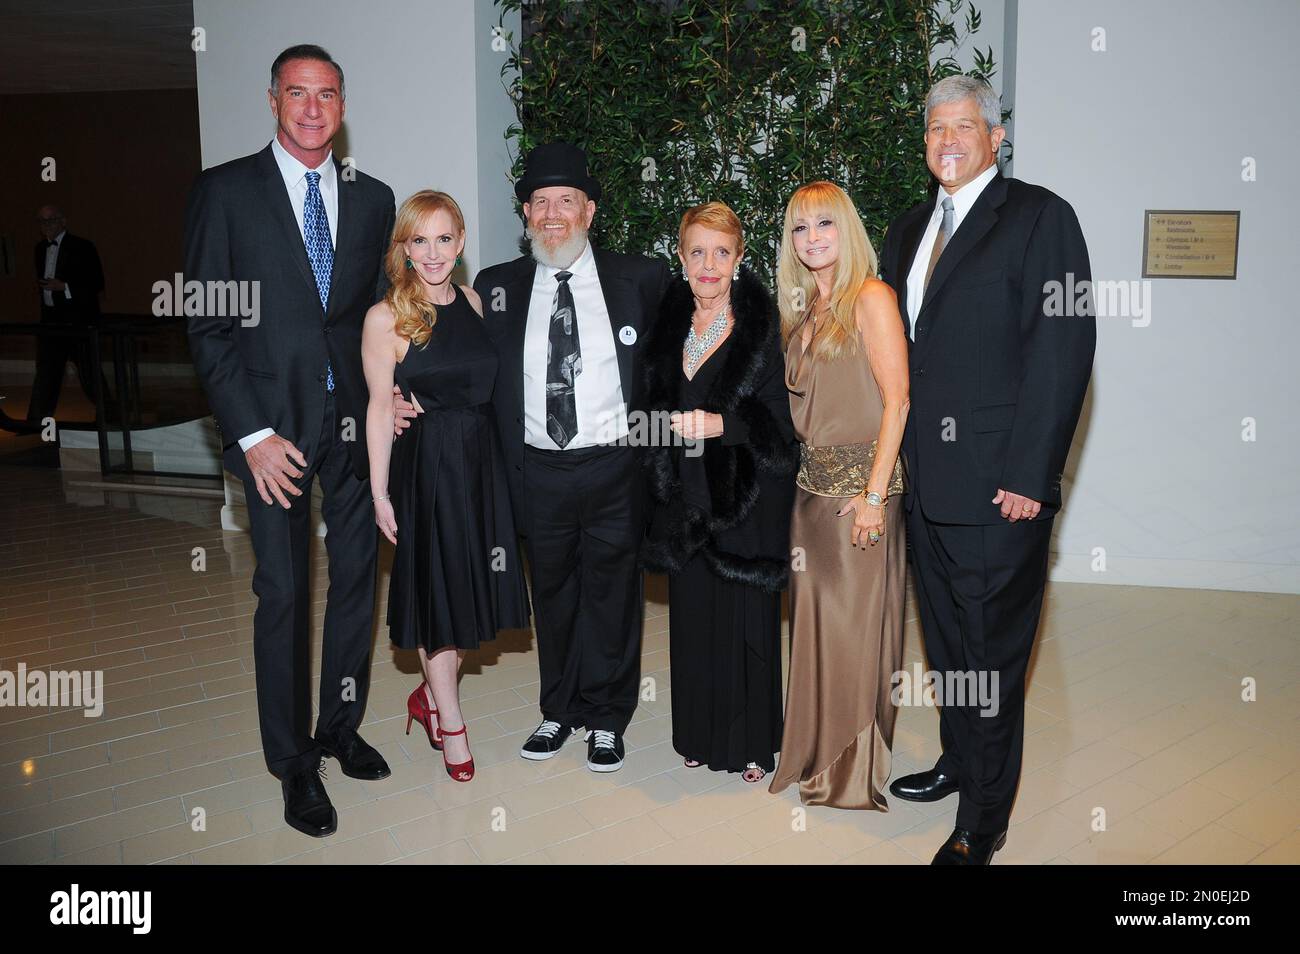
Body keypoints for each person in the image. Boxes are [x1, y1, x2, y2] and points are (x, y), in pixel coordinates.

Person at [879, 75, 1096, 864]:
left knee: (993, 658)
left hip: (1001, 490)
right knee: (946, 645)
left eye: (963, 126)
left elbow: (1063, 353)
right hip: (925, 489)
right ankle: (959, 761)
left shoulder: (1042, 217)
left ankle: (985, 822)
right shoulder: (908, 230)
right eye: (935, 128)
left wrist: (1031, 476)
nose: (947, 141)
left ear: (995, 137)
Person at [184, 44, 396, 838]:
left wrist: (393, 392)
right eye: (298, 93)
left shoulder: (372, 198)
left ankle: (339, 726)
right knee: (283, 593)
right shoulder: (224, 192)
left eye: (328, 94)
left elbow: (377, 313)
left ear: (343, 105)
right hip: (271, 433)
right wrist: (250, 434)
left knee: (354, 582)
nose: (313, 108)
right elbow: (206, 325)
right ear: (273, 99)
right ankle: (293, 763)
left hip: (351, 427)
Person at [469, 143, 668, 772]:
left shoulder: (642, 279)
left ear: (590, 210)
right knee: (552, 594)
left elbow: (681, 363)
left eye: (567, 201)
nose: (554, 214)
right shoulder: (496, 287)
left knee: (613, 595)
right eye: (541, 203)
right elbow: (458, 360)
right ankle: (558, 709)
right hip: (537, 470)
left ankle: (607, 719)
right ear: (526, 213)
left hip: (614, 466)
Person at [362, 190, 529, 783]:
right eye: (419, 241)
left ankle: (428, 699)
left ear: (459, 245)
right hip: (429, 470)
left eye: (443, 239)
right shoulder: (386, 317)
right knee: (441, 597)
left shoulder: (476, 302)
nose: (432, 253)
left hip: (482, 465)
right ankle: (450, 722)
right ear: (403, 248)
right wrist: (379, 494)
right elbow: (380, 410)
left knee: (468, 593)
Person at [767, 181, 911, 810]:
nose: (812, 239)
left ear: (847, 231)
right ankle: (812, 750)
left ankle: (851, 771)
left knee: (854, 632)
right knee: (817, 629)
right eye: (800, 228)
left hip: (862, 494)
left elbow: (898, 401)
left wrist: (875, 494)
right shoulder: (801, 310)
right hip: (809, 497)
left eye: (824, 225)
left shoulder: (871, 298)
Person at [641, 201, 796, 783]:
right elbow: (648, 407)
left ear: (739, 258)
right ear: (681, 257)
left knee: (747, 623)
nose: (709, 265)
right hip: (683, 498)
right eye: (698, 251)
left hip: (743, 500)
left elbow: (783, 433)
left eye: (721, 253)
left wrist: (722, 426)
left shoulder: (762, 331)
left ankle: (754, 745)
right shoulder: (667, 325)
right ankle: (699, 736)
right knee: (694, 621)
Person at [27, 205, 113, 424]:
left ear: (63, 221)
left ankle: (110, 416)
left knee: (89, 371)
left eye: (50, 220)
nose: (46, 226)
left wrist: (64, 287)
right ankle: (36, 422)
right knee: (46, 372)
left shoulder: (82, 247)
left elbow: (96, 283)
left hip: (78, 320)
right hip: (50, 322)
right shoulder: (39, 249)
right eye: (42, 221)